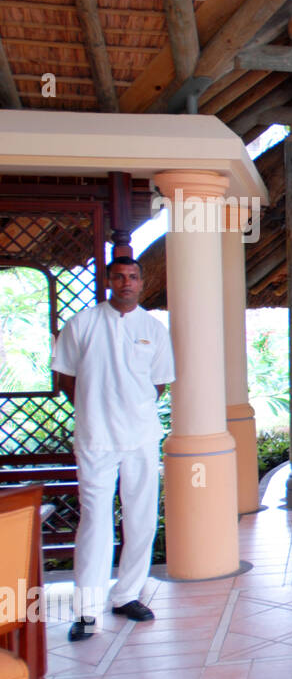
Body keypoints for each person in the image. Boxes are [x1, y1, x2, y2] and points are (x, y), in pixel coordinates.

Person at [52, 257, 174, 641]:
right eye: (119, 277)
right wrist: (95, 409)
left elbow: (159, 384)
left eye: (133, 277)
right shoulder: (82, 324)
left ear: (141, 283)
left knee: (141, 517)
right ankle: (87, 612)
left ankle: (126, 595)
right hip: (95, 439)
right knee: (95, 521)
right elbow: (66, 377)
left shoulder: (153, 329)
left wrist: (130, 407)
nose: (126, 283)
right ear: (108, 281)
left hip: (140, 437)